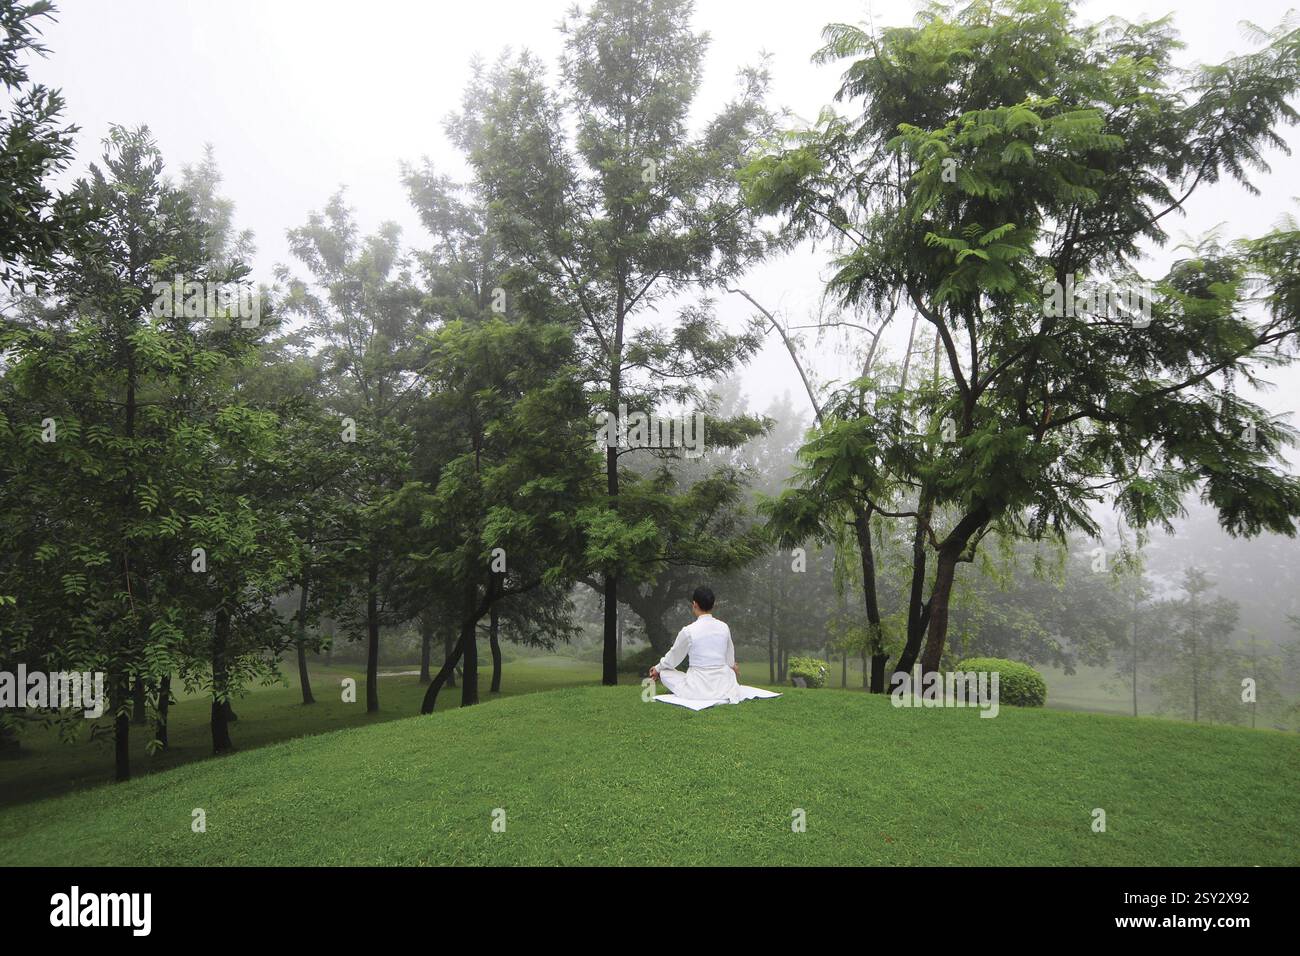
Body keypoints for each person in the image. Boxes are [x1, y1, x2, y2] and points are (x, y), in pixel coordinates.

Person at [648, 586, 773, 705]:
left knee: (664, 672)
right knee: (729, 669)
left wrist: (658, 668)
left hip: (697, 689)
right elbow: (730, 659)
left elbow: (673, 657)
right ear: (713, 605)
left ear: (694, 604)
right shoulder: (724, 627)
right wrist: (732, 667)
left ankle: (662, 672)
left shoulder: (688, 631)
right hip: (723, 686)